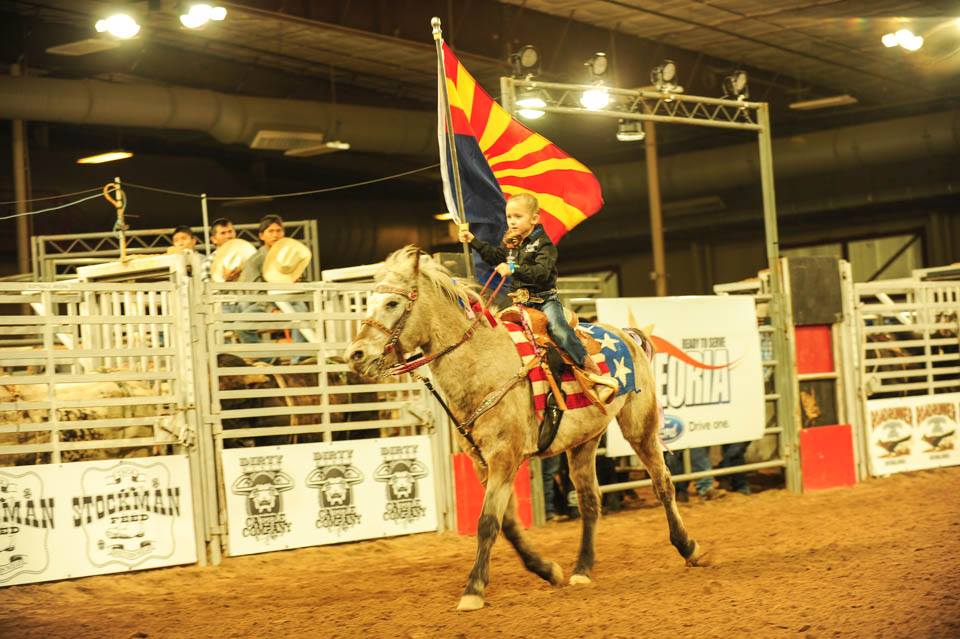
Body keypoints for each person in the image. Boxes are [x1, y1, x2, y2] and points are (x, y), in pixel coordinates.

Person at [458, 193, 603, 376]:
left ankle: (587, 364)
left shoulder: (545, 245)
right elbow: (494, 257)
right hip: (519, 303)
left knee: (559, 329)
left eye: (518, 216)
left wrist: (513, 269)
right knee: (499, 330)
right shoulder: (511, 243)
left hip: (544, 301)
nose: (512, 221)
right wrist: (473, 241)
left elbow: (541, 273)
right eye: (509, 217)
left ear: (534, 218)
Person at [237, 214, 309, 352]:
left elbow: (300, 278)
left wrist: (297, 281)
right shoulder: (255, 260)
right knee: (240, 326)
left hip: (292, 299)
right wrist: (271, 308)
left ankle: (299, 361)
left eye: (278, 231)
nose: (275, 235)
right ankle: (268, 359)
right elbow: (255, 290)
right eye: (270, 231)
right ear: (261, 236)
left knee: (303, 317)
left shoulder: (290, 254)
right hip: (265, 303)